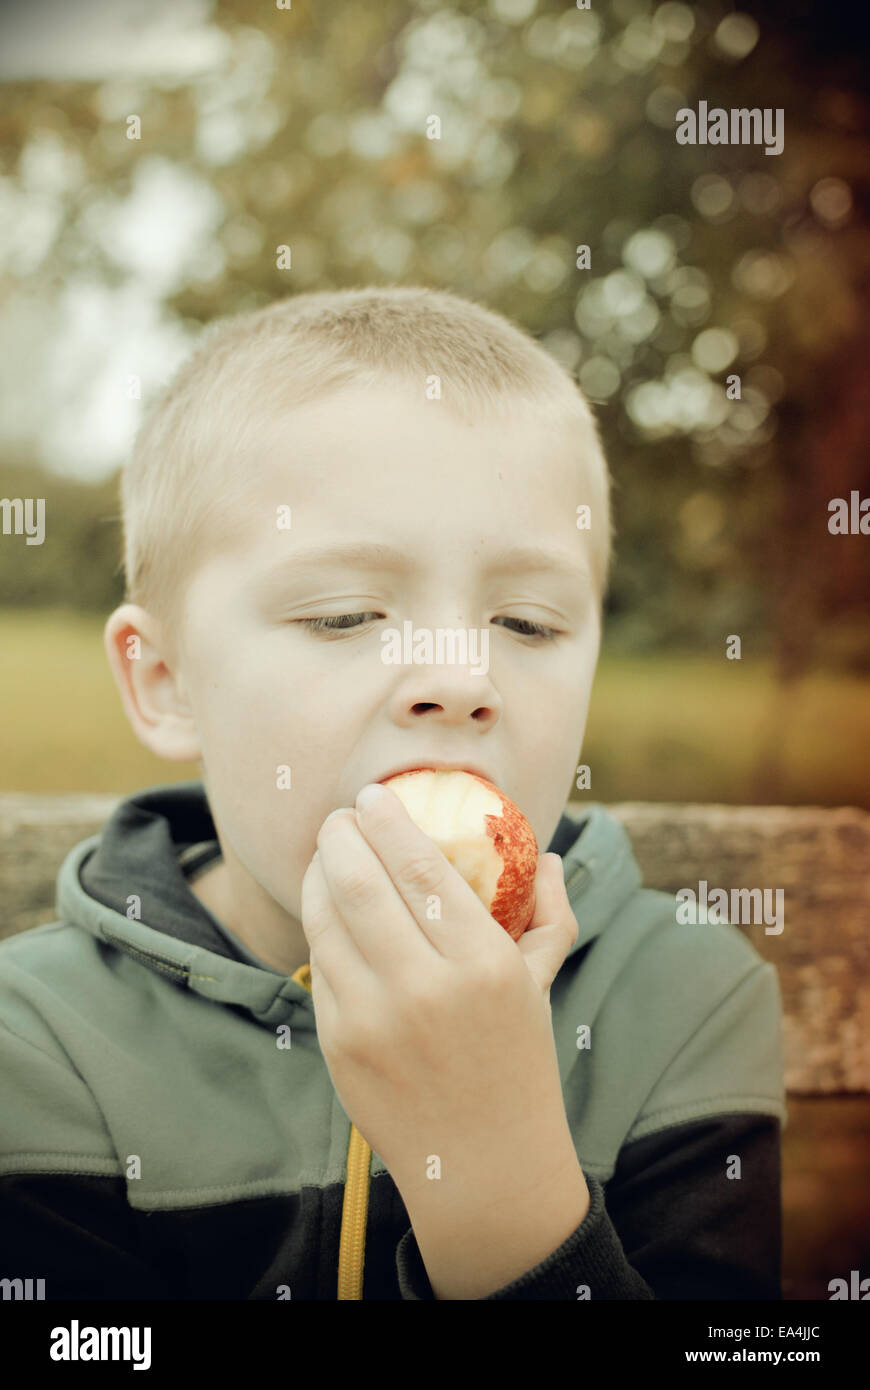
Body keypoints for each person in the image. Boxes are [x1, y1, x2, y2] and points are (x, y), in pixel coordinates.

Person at [0, 286, 785, 1299]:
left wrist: (498, 1172)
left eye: (530, 624)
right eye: (343, 614)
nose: (459, 675)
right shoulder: (38, 1040)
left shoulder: (684, 995)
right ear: (166, 681)